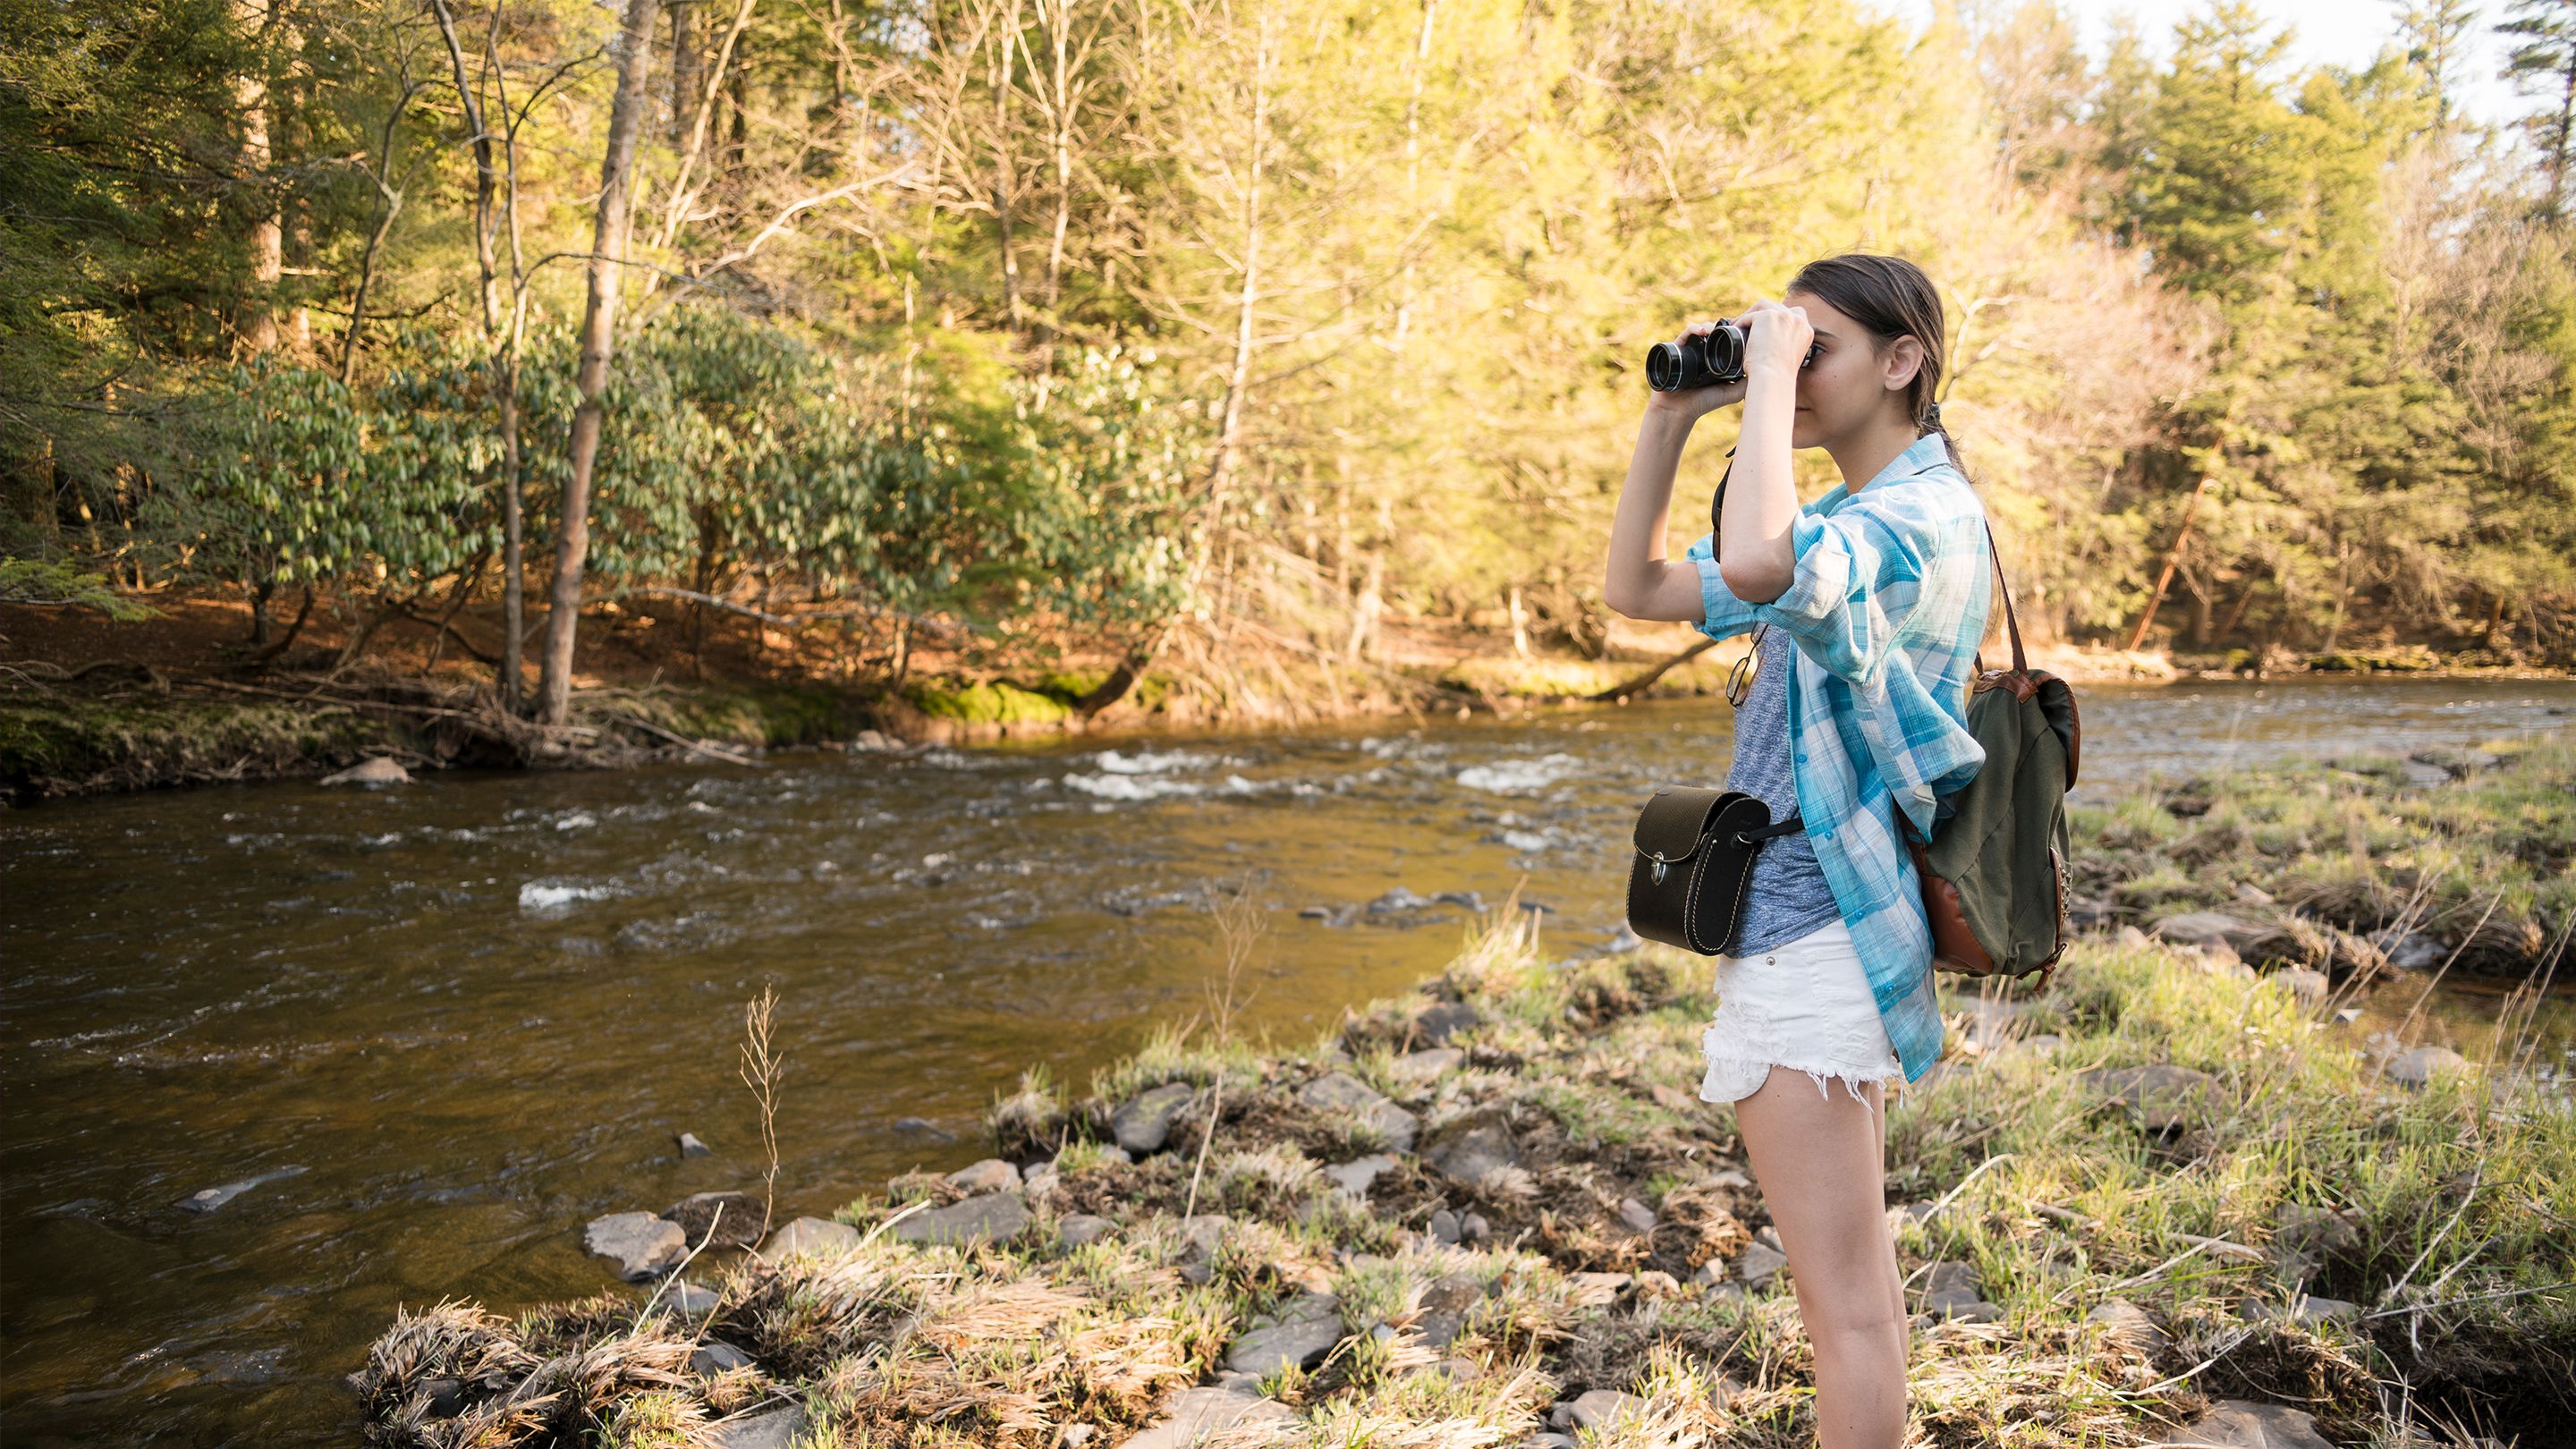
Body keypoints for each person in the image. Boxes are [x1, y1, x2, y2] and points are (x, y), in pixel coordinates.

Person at [1599, 252, 1996, 1449]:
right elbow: (1638, 586)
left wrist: (1765, 379)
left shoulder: (1916, 517)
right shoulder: (1850, 520)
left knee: (1849, 1323)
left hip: (1809, 930)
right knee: (1860, 1306)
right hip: (1813, 923)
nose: (1795, 371)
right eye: (1789, 350)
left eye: (1816, 348)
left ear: (1902, 359)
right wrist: (1675, 415)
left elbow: (1762, 562)